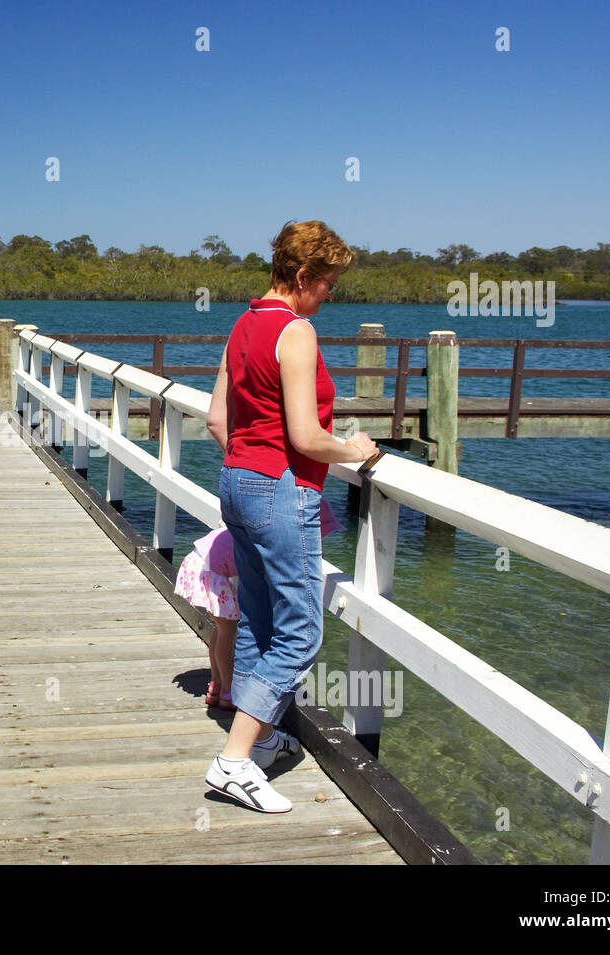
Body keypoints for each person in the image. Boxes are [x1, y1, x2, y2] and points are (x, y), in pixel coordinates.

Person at [202, 220, 378, 814]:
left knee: (255, 617)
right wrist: (352, 449)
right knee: (301, 630)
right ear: (302, 277)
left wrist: (249, 465)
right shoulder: (294, 332)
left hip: (236, 481)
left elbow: (216, 421)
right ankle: (233, 759)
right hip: (282, 488)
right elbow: (306, 436)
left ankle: (263, 740)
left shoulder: (244, 324)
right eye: (328, 283)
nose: (331, 294)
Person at [175, 515, 343, 713]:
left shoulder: (256, 529)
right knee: (227, 632)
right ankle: (227, 692)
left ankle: (217, 685)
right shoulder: (267, 540)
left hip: (201, 562)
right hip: (209, 568)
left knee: (222, 630)